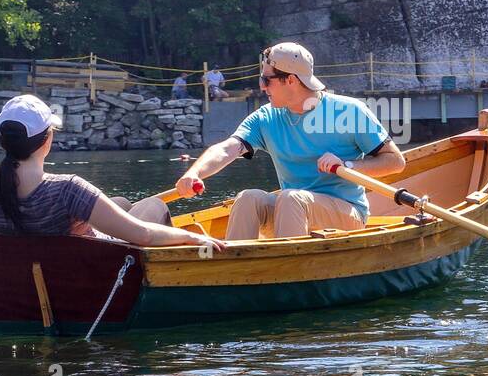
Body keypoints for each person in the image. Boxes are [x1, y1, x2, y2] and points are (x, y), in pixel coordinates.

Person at [0, 94, 224, 251]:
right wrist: (192, 239)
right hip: (96, 270)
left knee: (119, 203)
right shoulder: (68, 189)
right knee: (155, 206)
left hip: (46, 274)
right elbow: (143, 235)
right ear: (47, 140)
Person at [173, 42, 405, 239]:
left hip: (347, 214)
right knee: (248, 199)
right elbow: (227, 149)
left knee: (292, 198)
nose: (262, 86)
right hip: (291, 209)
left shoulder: (349, 111)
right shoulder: (267, 117)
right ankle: (233, 272)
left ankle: (287, 273)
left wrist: (347, 166)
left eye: (267, 80)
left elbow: (395, 162)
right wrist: (194, 173)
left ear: (291, 80)